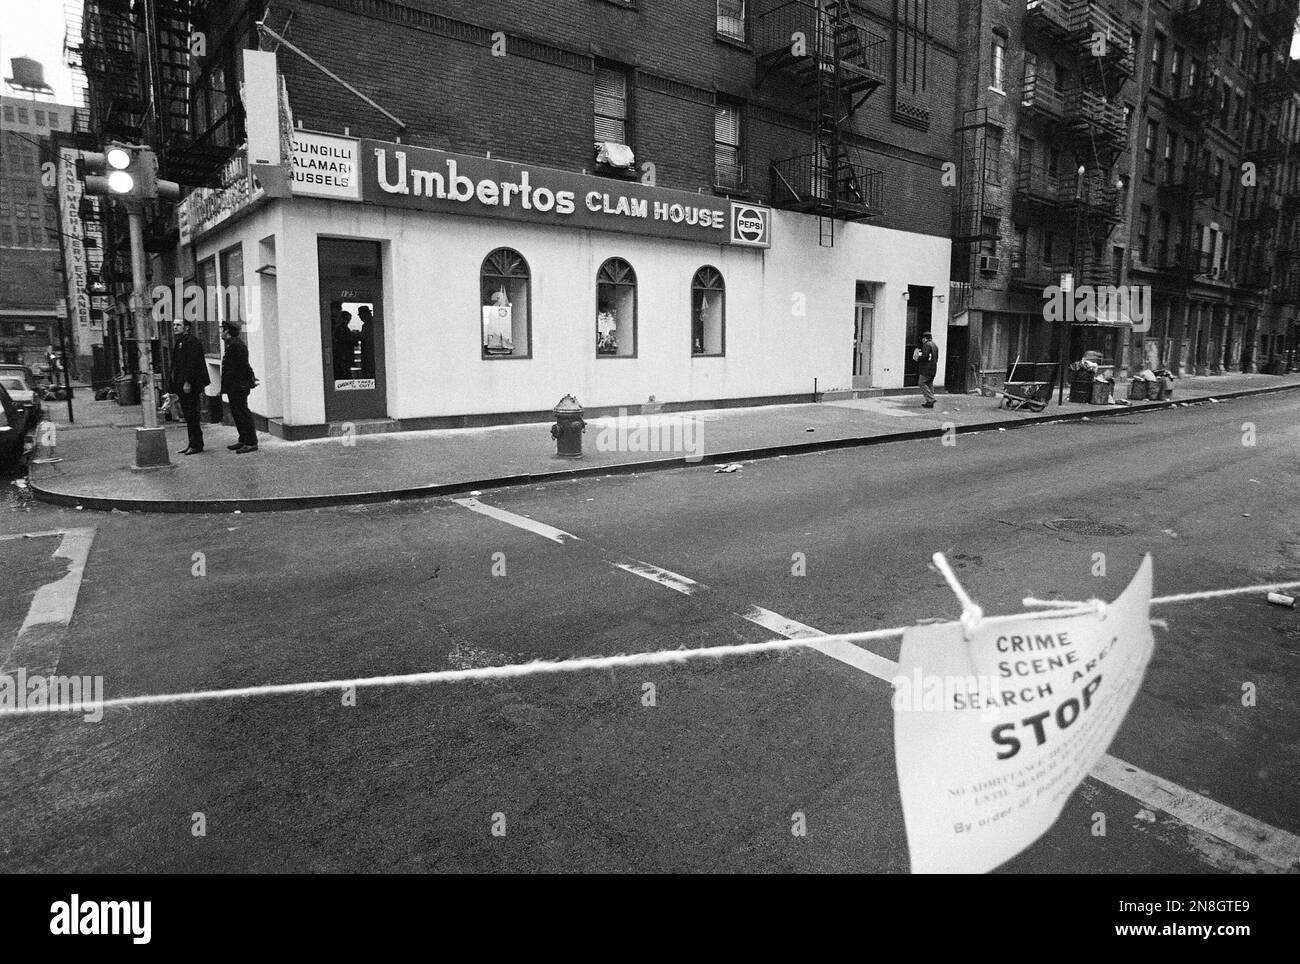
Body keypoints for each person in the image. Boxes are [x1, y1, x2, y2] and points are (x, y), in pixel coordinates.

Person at [169, 319, 210, 455]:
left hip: (190, 385)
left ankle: (197, 444)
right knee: (188, 415)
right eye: (174, 325)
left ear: (186, 328)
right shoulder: (180, 342)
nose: (175, 327)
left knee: (192, 414)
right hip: (182, 384)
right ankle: (192, 443)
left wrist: (188, 382)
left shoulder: (191, 342)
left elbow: (192, 364)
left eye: (178, 325)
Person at [220, 321, 259, 453]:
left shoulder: (236, 345)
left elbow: (244, 366)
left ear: (227, 331)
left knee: (242, 413)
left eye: (222, 330)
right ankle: (243, 439)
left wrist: (251, 379)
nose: (221, 332)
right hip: (234, 385)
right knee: (237, 413)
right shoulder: (232, 344)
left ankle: (251, 442)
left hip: (238, 386)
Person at [917, 331, 939, 408]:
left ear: (924, 338)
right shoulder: (935, 345)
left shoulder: (926, 345)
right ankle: (929, 403)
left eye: (922, 339)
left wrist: (918, 358)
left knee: (921, 382)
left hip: (926, 369)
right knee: (929, 383)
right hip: (933, 368)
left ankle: (931, 399)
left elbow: (925, 357)